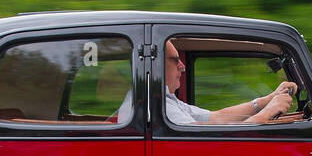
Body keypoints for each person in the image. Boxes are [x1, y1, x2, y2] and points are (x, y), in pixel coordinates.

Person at [115, 40, 296, 125]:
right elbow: (214, 139)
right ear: (156, 66)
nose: (182, 66)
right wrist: (268, 113)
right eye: (175, 60)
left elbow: (217, 117)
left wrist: (269, 99)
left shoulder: (164, 100)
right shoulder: (151, 104)